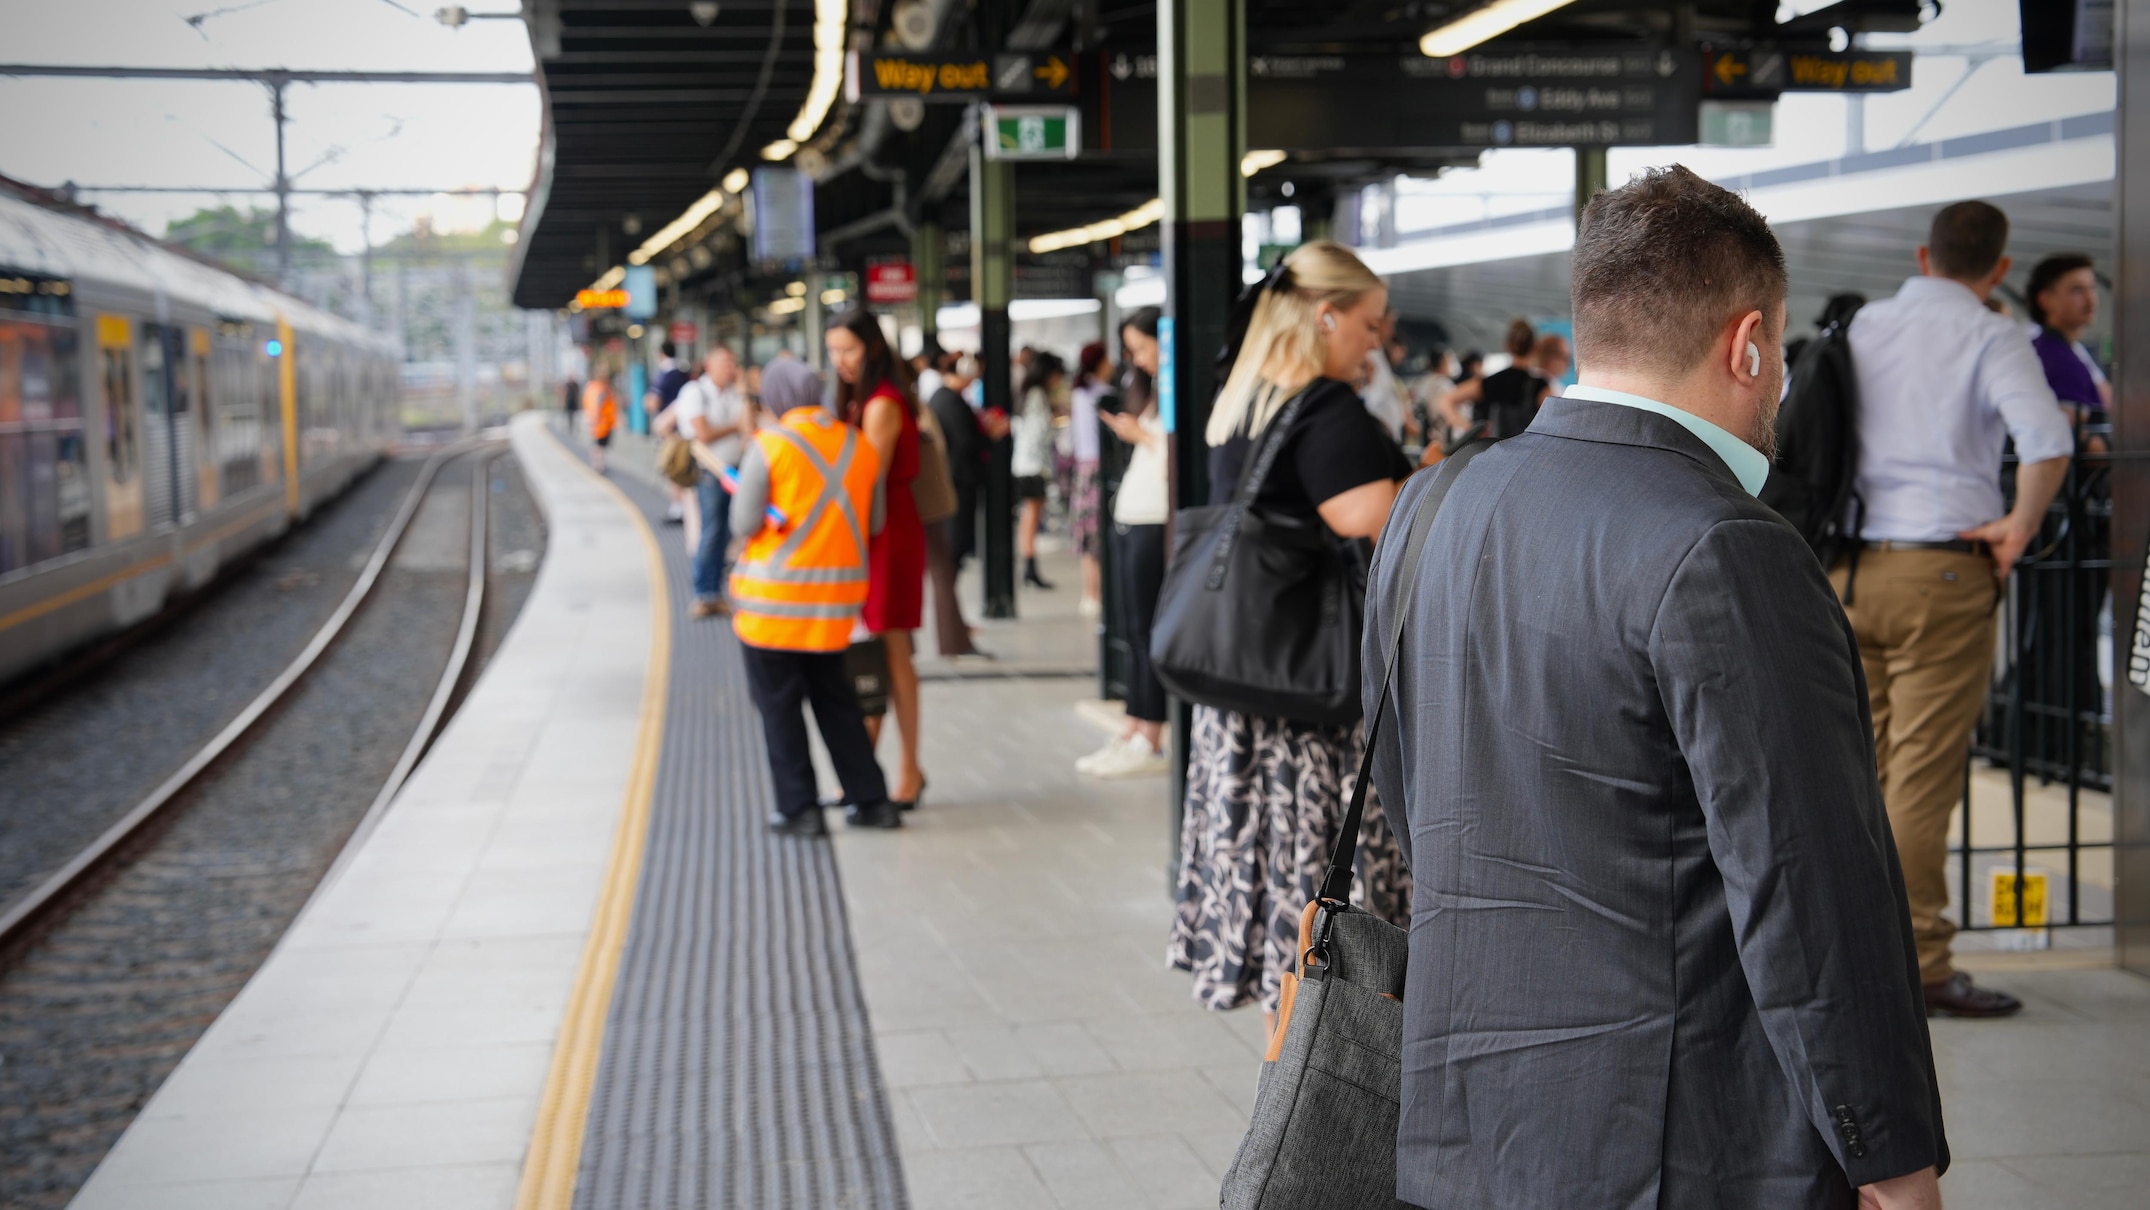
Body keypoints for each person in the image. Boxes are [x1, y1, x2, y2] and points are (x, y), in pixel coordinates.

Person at [1369, 164, 1945, 1209]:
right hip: (1676, 1142)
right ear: (1748, 343)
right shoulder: (1726, 544)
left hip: (1457, 1122)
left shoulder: (1432, 502)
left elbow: (1412, 790)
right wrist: (1889, 1151)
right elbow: (1807, 886)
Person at [1166, 240, 1415, 1024]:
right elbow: (1367, 516)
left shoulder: (1247, 396)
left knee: (1276, 879)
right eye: (1369, 324)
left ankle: (1289, 1038)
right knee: (1322, 895)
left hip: (1249, 689)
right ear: (1326, 315)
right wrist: (1430, 473)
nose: (1375, 343)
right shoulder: (1324, 406)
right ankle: (1313, 1053)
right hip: (1306, 703)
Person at [1838, 200, 2073, 1020]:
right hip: (1942, 572)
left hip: (1848, 570)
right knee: (1922, 777)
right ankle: (1924, 965)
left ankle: (1849, 956)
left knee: (1860, 772)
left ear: (1923, 256)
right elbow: (2048, 441)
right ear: (2000, 268)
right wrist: (2019, 527)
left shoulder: (1859, 326)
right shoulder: (1990, 334)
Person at [728, 358, 900, 835]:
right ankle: (873, 801)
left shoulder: (770, 445)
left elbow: (743, 523)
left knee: (780, 708)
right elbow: (874, 522)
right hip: (834, 607)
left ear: (776, 398)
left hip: (772, 607)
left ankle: (800, 809)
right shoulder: (859, 445)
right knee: (837, 702)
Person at [826, 309, 929, 811]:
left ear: (872, 347)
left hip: (885, 534)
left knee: (893, 651)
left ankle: (908, 768)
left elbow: (866, 482)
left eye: (848, 349)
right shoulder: (862, 399)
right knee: (875, 651)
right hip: (875, 533)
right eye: (833, 351)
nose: (840, 361)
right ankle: (867, 769)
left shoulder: (882, 403)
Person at [1080, 307, 1170, 778]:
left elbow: (1178, 458)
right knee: (1135, 630)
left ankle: (1149, 733)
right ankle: (1134, 724)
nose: (1137, 358)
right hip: (1134, 519)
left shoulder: (1176, 389)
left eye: (1141, 347)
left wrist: (1142, 436)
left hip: (1156, 521)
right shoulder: (1153, 392)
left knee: (1148, 631)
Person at [679, 346, 753, 618]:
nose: (730, 369)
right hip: (709, 473)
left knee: (729, 533)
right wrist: (735, 427)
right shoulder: (695, 392)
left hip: (736, 471)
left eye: (733, 363)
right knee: (711, 532)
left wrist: (744, 392)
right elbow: (704, 433)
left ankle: (715, 592)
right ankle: (703, 593)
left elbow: (749, 429)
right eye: (725, 363)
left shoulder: (735, 393)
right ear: (709, 365)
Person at [2029, 253, 2110, 426]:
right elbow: (2078, 434)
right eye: (2077, 290)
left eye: (2092, 288)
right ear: (2045, 300)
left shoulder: (2060, 349)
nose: (2090, 299)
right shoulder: (2058, 360)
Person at [1436, 318, 1548, 441]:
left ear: (1507, 345)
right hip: (1526, 450)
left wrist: (1469, 428)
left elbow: (1446, 401)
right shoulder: (1541, 386)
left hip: (1492, 449)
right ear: (1535, 348)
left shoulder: (1493, 382)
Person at [1011, 351, 1065, 591]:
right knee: (1031, 516)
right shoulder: (1037, 395)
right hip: (1033, 465)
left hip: (1026, 464)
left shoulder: (1028, 392)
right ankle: (1030, 566)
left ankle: (1030, 565)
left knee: (1029, 516)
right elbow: (1039, 432)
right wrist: (1056, 421)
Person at [1069, 342, 1111, 618]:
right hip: (1099, 469)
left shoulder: (1078, 393)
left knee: (1086, 537)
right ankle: (1101, 594)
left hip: (1082, 469)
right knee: (1099, 535)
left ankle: (1089, 593)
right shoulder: (1104, 394)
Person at [647, 341, 694, 523]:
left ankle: (678, 509)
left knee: (674, 468)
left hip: (671, 432)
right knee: (685, 468)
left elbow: (653, 403)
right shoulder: (684, 373)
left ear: (661, 353)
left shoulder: (664, 375)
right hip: (687, 430)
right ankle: (684, 508)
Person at [1358, 307, 1410, 443]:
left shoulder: (1379, 354)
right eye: (1389, 324)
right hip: (1373, 432)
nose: (1391, 331)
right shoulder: (1368, 354)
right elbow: (1370, 398)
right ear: (1378, 322)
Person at [580, 366, 618, 472]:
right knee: (599, 445)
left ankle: (598, 463)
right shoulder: (600, 389)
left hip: (603, 422)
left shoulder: (596, 387)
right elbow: (596, 405)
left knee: (599, 445)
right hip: (601, 422)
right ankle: (598, 464)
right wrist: (594, 418)